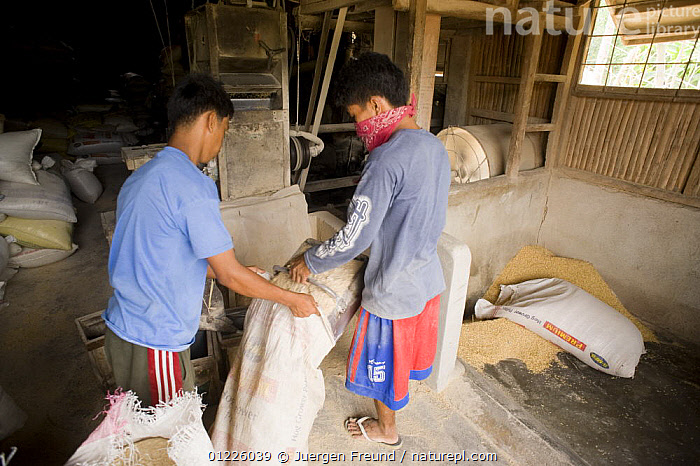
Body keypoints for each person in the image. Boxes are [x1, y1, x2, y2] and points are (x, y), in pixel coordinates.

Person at [103, 73, 318, 407]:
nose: (221, 140)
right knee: (168, 435)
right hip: (154, 338)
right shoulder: (191, 185)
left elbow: (155, 255)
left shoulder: (143, 176)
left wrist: (220, 268)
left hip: (125, 326)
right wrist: (291, 299)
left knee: (140, 427)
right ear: (210, 121)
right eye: (224, 129)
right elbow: (232, 276)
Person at [289, 53, 450, 447]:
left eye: (357, 115)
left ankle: (387, 430)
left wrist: (310, 261)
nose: (359, 127)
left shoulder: (385, 160)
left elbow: (356, 236)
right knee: (406, 359)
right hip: (426, 280)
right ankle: (392, 418)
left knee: (387, 366)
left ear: (377, 105)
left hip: (394, 289)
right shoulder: (433, 145)